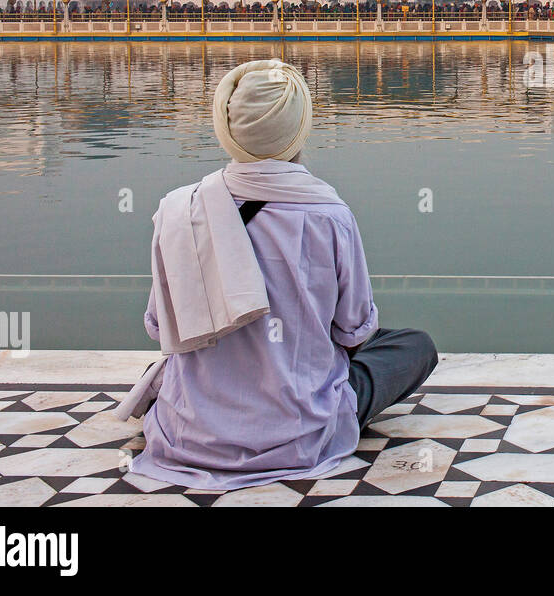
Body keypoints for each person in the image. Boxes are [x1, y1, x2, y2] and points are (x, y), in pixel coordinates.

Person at [125, 58, 438, 490]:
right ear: (299, 128)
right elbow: (354, 331)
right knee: (413, 345)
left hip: (190, 432)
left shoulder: (180, 209)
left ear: (227, 127)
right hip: (301, 432)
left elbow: (158, 325)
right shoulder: (329, 213)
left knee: (189, 364)